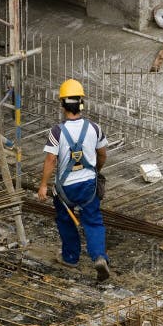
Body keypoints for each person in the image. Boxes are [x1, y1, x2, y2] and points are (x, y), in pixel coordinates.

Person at [38, 79, 110, 282]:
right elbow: (103, 154)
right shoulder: (95, 128)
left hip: (65, 189)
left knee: (65, 220)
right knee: (94, 221)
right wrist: (95, 172)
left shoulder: (57, 132)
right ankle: (99, 257)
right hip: (88, 185)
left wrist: (44, 184)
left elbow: (51, 159)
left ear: (62, 105)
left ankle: (70, 257)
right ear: (81, 104)